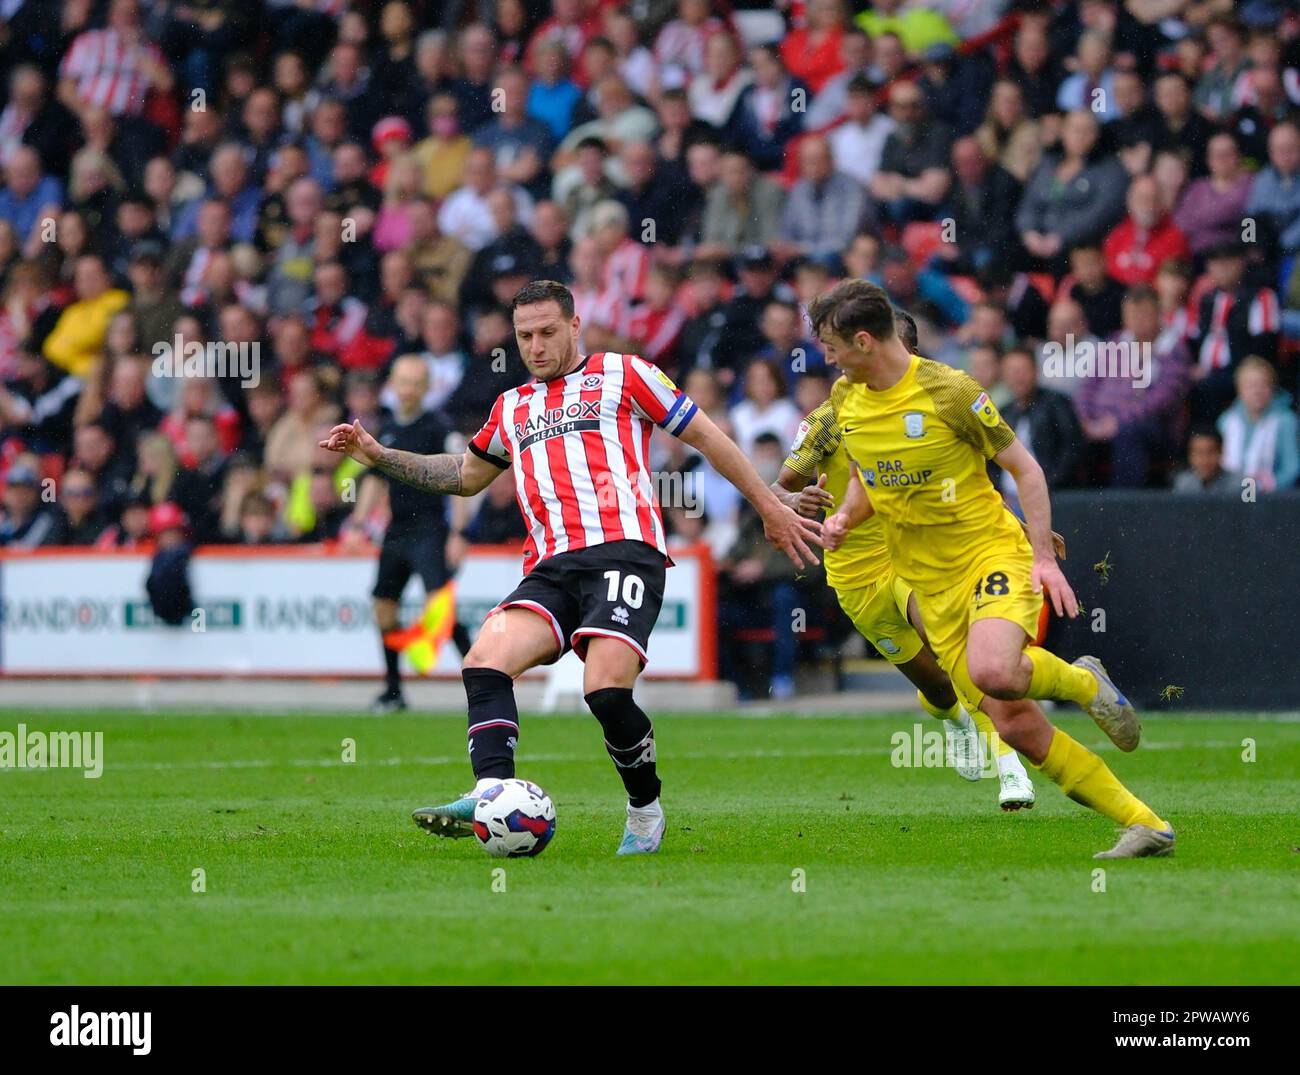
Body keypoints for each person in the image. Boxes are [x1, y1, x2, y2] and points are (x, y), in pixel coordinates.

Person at [320, 279, 821, 855]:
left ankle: (644, 808)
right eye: (525, 335)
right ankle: (492, 793)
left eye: (547, 332)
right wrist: (380, 456)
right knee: (484, 659)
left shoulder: (625, 375)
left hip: (625, 551)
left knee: (604, 690)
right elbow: (462, 476)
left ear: (575, 325)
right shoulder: (511, 407)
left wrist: (769, 507)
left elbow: (710, 438)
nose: (535, 345)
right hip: (552, 566)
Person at [810, 278, 1173, 859]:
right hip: (931, 584)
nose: (825, 357)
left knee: (996, 671)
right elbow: (864, 479)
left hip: (989, 553)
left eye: (831, 345)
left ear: (863, 340)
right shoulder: (845, 400)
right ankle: (1146, 824)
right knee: (1016, 727)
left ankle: (1084, 682)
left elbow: (1025, 470)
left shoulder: (949, 391)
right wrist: (844, 521)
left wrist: (1044, 557)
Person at [774, 309, 1037, 808]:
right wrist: (794, 502)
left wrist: (1018, 528)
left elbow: (968, 487)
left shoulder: (938, 402)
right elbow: (777, 489)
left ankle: (1010, 769)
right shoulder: (832, 417)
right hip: (855, 574)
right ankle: (957, 722)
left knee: (960, 660)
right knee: (936, 684)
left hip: (918, 557)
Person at [344, 355, 470, 712]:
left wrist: (459, 532)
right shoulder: (384, 429)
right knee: (384, 607)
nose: (409, 389)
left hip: (431, 529)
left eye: (416, 382)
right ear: (393, 386)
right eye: (404, 381)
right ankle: (394, 691)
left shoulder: (438, 427)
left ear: (427, 387)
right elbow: (373, 480)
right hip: (397, 530)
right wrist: (357, 525)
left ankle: (481, 682)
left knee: (439, 609)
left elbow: (462, 477)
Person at [1172, 427, 1242, 494]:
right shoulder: (1183, 484)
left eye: (1211, 451)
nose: (1204, 459)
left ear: (1221, 452)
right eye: (1199, 452)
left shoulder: (1238, 485)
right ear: (1189, 455)